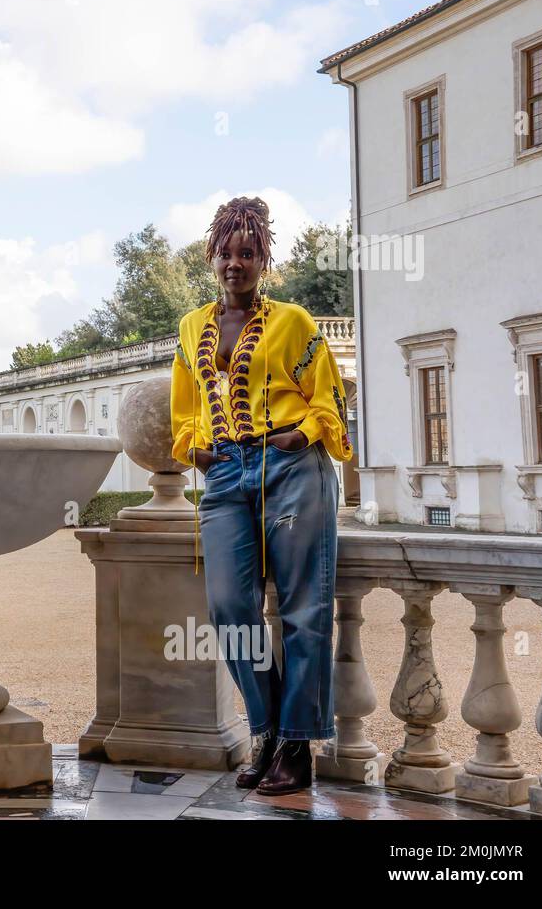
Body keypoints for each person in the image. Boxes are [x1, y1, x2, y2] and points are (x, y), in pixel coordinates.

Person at [170, 196, 351, 796]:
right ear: (211, 256)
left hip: (292, 466)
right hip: (224, 476)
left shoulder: (293, 322)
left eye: (247, 253)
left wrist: (302, 432)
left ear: (262, 260)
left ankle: (295, 746)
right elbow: (186, 409)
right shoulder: (191, 328)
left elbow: (329, 396)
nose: (234, 263)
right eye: (225, 252)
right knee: (229, 606)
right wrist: (194, 447)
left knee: (303, 608)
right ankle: (267, 728)